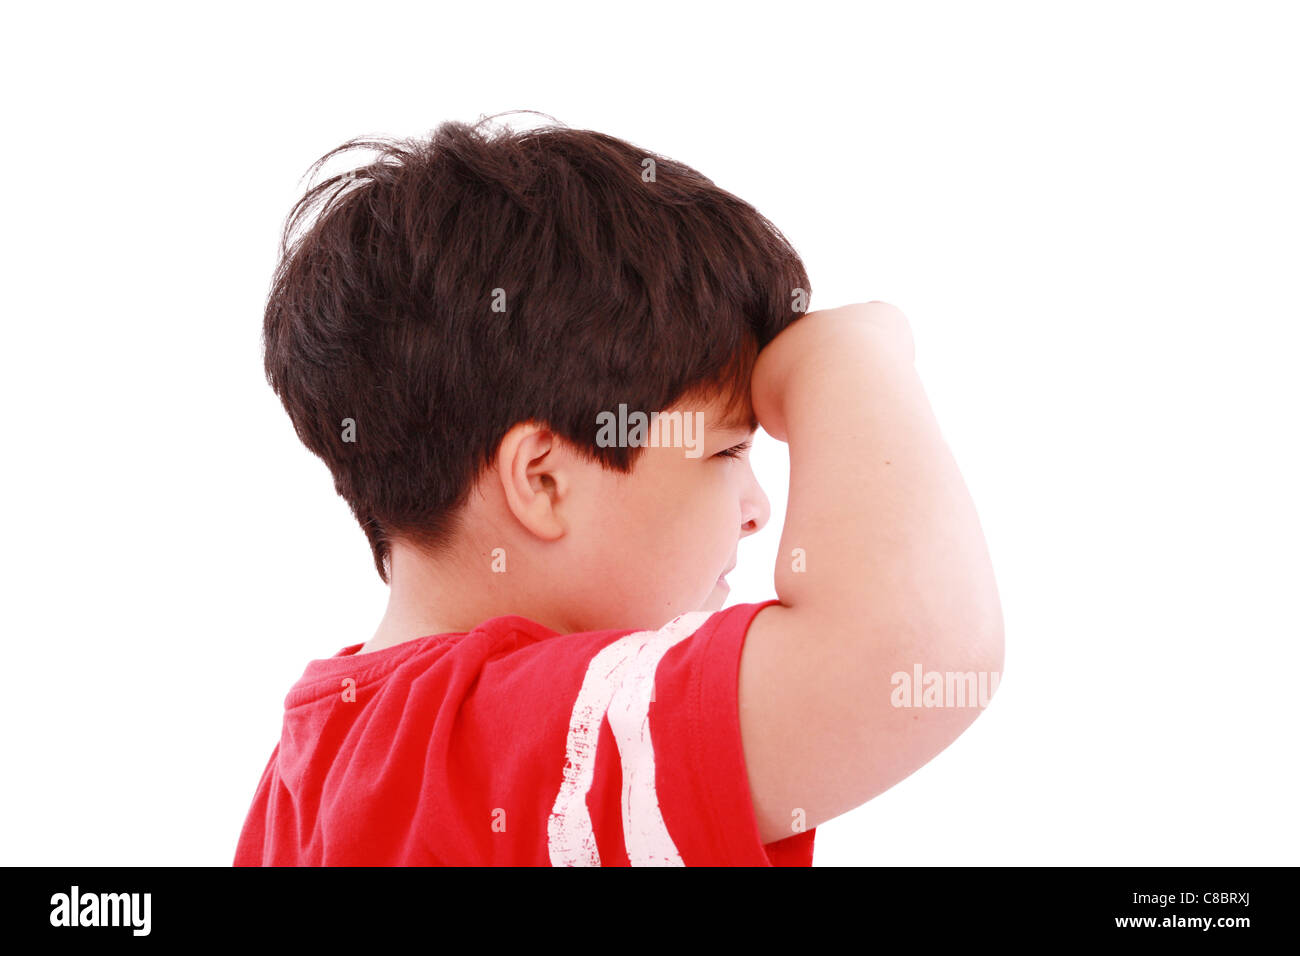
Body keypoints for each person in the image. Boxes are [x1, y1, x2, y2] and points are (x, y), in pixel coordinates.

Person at [233, 113, 1004, 866]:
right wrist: (850, 359)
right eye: (727, 450)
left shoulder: (309, 776)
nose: (756, 509)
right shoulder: (499, 735)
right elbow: (903, 662)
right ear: (543, 481)